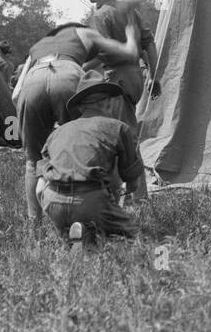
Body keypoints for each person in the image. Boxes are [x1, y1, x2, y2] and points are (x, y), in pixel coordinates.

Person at [14, 20, 140, 227]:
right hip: (67, 75)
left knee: (32, 161)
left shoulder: (39, 46)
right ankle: (101, 210)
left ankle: (34, 227)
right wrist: (131, 33)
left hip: (32, 81)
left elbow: (16, 94)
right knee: (88, 141)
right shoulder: (85, 33)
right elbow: (130, 52)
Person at [70, 0, 160, 206]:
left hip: (115, 79)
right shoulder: (127, 10)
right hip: (134, 78)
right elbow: (148, 43)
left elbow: (101, 54)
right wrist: (154, 75)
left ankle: (136, 196)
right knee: (124, 132)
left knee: (122, 136)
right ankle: (129, 193)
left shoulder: (100, 15)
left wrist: (77, 67)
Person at [34, 71, 142, 250]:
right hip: (89, 199)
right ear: (108, 102)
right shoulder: (118, 128)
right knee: (131, 238)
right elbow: (132, 182)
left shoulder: (57, 133)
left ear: (81, 106)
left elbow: (39, 188)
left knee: (85, 237)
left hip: (53, 199)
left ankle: (73, 234)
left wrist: (52, 211)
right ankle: (91, 232)